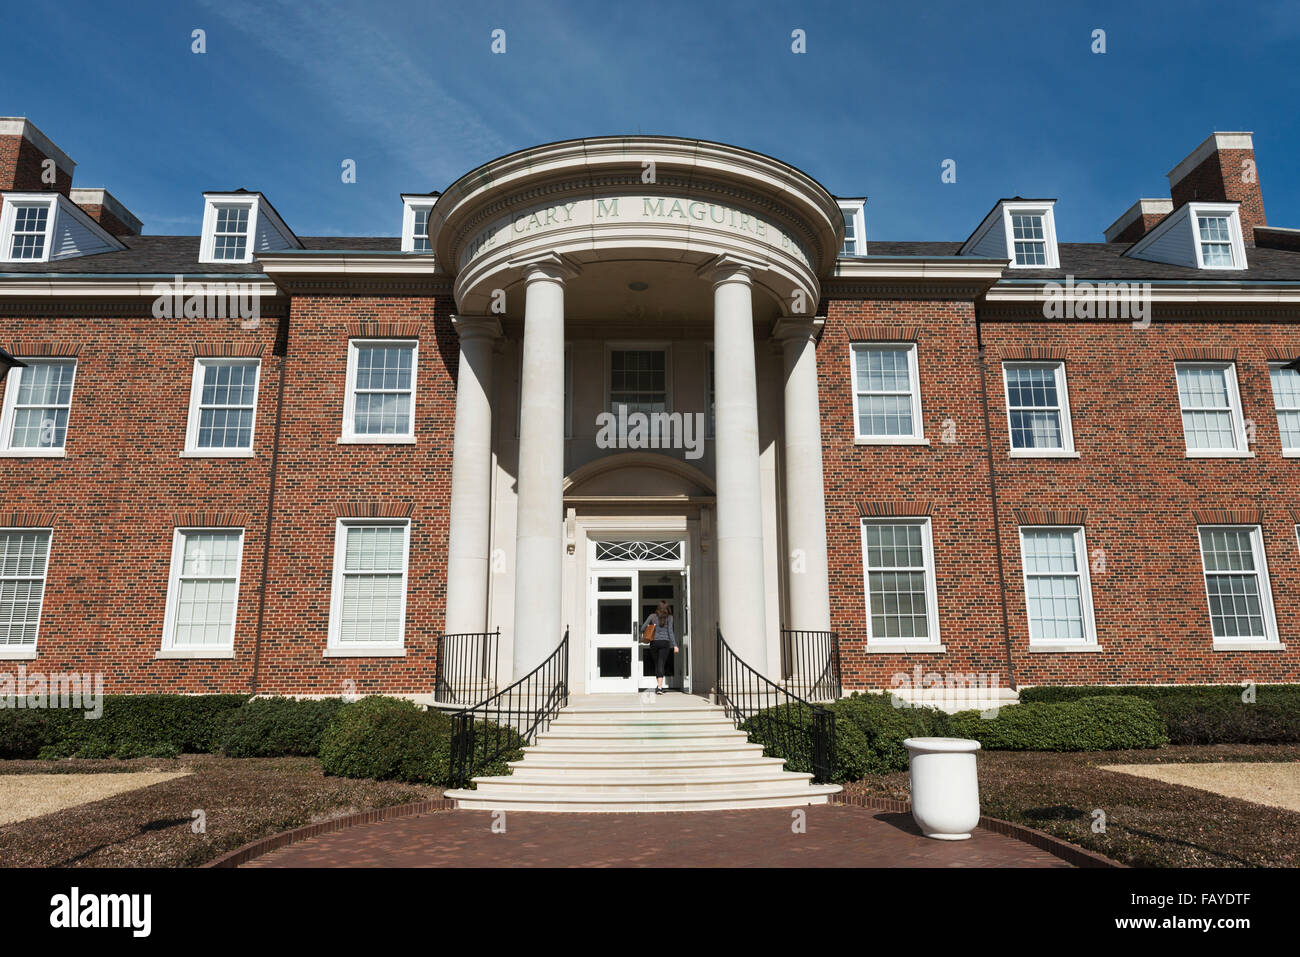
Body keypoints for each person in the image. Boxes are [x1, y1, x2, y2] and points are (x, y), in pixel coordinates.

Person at [643, 600, 677, 694]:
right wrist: (675, 645)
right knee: (661, 663)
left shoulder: (652, 616)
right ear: (667, 608)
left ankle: (659, 686)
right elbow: (670, 632)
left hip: (654, 643)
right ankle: (660, 687)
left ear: (658, 607)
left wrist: (651, 626)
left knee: (657, 664)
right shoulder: (670, 618)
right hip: (665, 643)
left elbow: (642, 628)